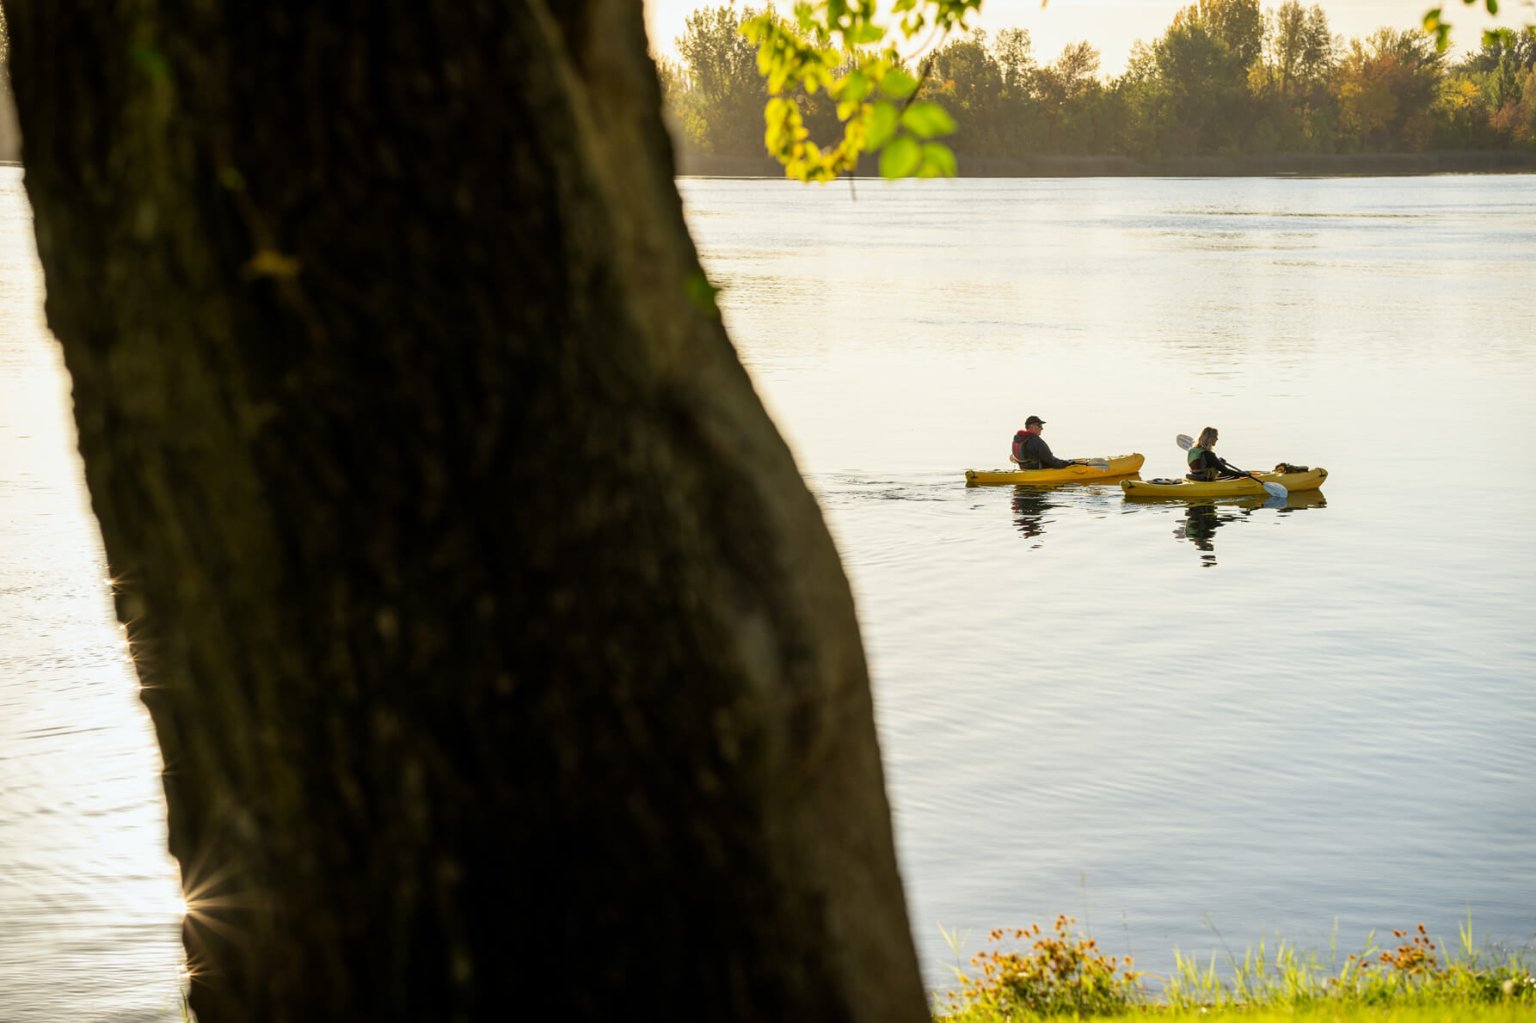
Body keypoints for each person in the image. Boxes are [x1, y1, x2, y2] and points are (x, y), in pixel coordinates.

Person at [1010, 415, 1076, 470]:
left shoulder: (1017, 440)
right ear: (1032, 426)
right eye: (1039, 425)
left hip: (1025, 470)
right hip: (1039, 472)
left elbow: (1014, 458)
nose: (1042, 428)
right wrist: (1067, 463)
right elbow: (1051, 461)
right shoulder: (1036, 441)